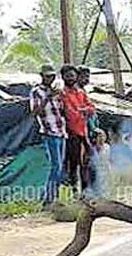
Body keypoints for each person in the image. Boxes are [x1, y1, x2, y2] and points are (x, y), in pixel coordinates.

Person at [30, 64, 67, 206]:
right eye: (47, 76)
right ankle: (47, 200)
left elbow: (62, 112)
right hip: (49, 132)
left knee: (60, 167)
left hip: (61, 132)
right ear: (42, 76)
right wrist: (47, 98)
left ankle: (53, 198)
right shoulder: (36, 92)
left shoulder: (57, 91)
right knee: (55, 167)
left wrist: (61, 98)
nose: (50, 78)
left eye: (52, 76)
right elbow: (35, 112)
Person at [60, 64, 96, 194]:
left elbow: (92, 108)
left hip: (83, 132)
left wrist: (84, 110)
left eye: (72, 75)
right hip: (71, 133)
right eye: (68, 76)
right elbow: (69, 113)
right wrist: (83, 111)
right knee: (73, 163)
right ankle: (75, 191)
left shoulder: (81, 92)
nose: (70, 78)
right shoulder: (62, 93)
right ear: (63, 77)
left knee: (86, 163)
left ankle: (85, 191)